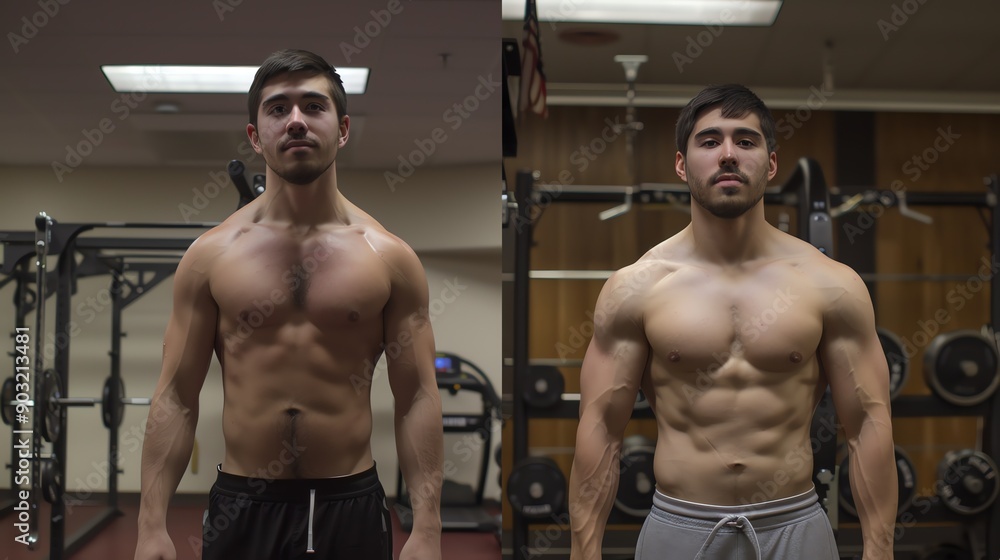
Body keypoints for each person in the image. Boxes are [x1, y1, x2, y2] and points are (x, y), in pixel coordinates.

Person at [134, 49, 443, 560]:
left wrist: (428, 529)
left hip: (350, 505)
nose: (296, 121)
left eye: (313, 106)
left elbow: (416, 398)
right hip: (243, 505)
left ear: (342, 128)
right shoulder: (210, 256)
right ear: (255, 136)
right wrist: (150, 527)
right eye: (278, 109)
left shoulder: (389, 258)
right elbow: (175, 398)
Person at [569, 84, 897, 560]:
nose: (727, 154)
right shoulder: (636, 287)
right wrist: (583, 552)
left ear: (770, 163)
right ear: (682, 164)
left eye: (745, 141)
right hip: (678, 528)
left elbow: (868, 422)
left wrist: (880, 550)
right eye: (709, 141)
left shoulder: (830, 284)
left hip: (796, 528)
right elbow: (600, 426)